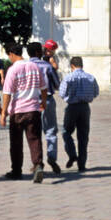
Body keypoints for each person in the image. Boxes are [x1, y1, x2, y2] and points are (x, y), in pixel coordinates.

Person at [0, 41, 48, 182]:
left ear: (12, 54)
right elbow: (44, 87)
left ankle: (16, 170)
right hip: (33, 109)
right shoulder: (34, 66)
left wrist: (3, 113)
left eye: (9, 55)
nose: (9, 58)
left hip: (17, 111)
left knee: (16, 142)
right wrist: (43, 102)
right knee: (35, 139)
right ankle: (38, 165)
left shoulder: (13, 70)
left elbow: (7, 93)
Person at [58, 56, 99, 171]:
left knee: (66, 132)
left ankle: (72, 154)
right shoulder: (90, 78)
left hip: (72, 107)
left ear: (72, 66)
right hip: (85, 107)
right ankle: (82, 163)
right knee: (83, 136)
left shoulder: (68, 78)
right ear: (82, 65)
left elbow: (61, 93)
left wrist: (69, 97)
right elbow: (96, 92)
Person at [39, 39, 62, 173]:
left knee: (35, 132)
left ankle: (37, 161)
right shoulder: (48, 66)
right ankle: (52, 157)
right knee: (51, 130)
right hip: (47, 99)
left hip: (33, 101)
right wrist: (53, 67)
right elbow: (57, 84)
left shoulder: (31, 65)